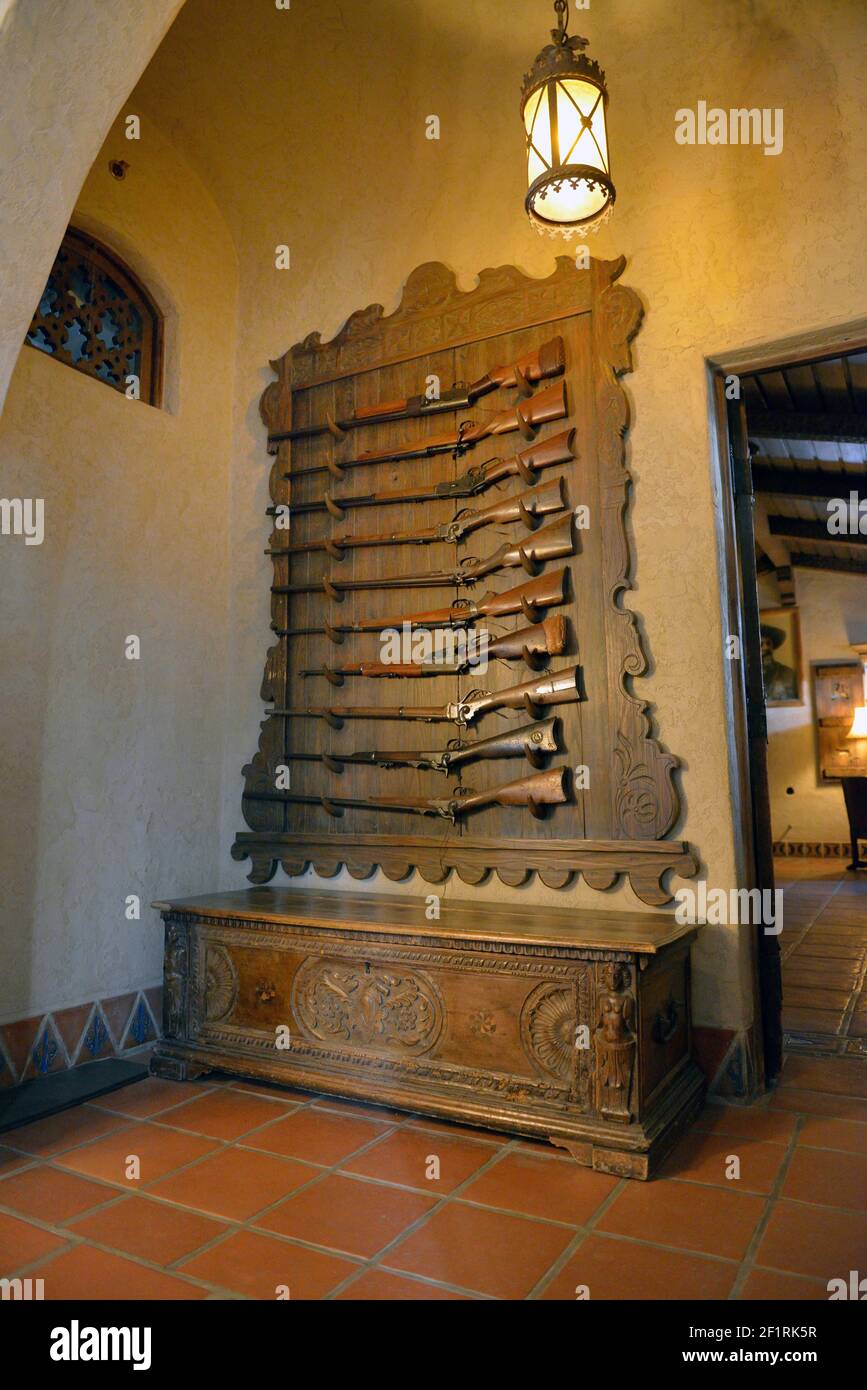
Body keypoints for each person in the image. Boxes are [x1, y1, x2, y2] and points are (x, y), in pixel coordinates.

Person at [760, 623, 797, 701]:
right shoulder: (746, 675)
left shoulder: (788, 673)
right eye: (761, 644)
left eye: (768, 643)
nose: (765, 647)